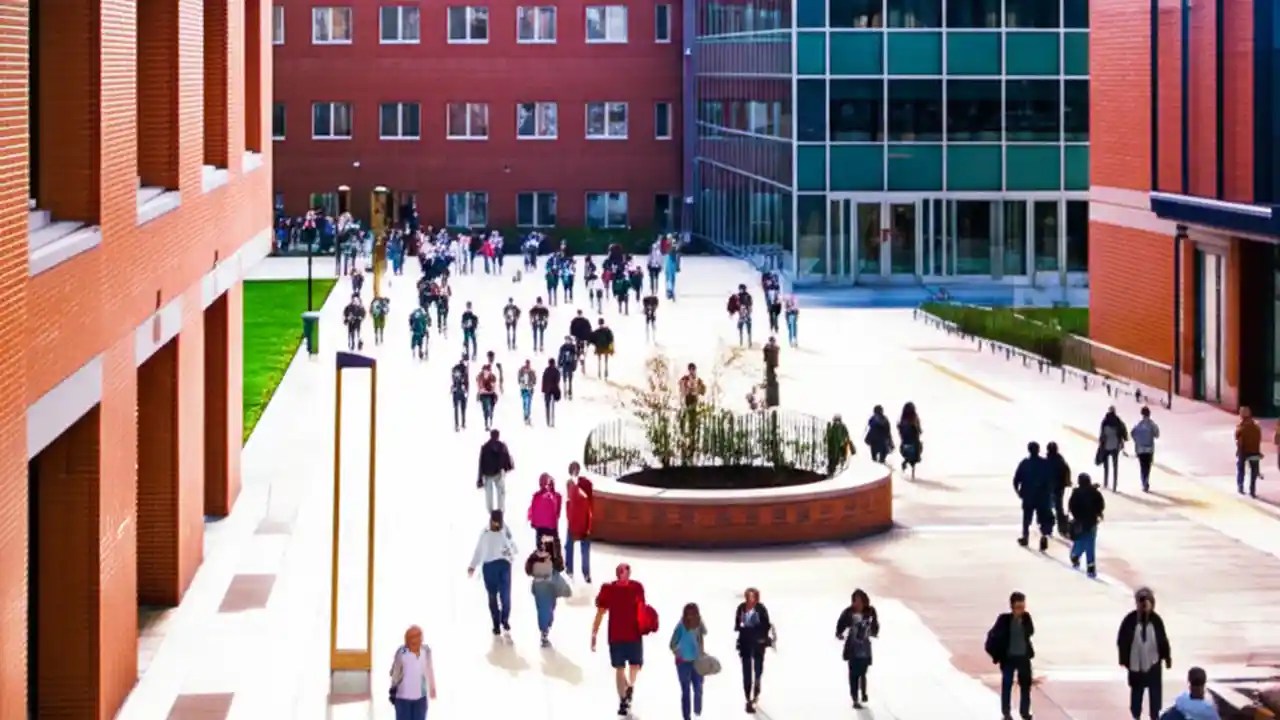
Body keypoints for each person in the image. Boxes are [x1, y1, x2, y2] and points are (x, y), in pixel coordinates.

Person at [592, 564, 648, 717]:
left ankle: (630, 686)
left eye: (626, 571)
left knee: (635, 665)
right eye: (621, 571)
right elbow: (601, 611)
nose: (623, 574)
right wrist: (594, 632)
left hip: (633, 633)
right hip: (617, 635)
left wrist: (645, 624)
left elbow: (641, 608)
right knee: (619, 668)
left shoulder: (637, 588)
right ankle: (623, 699)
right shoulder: (608, 590)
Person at [1117, 587, 1172, 720]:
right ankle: (1136, 715)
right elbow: (1122, 640)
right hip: (1136, 664)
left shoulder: (1156, 620)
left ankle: (1155, 716)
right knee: (1137, 693)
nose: (1144, 606)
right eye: (1141, 602)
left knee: (1155, 695)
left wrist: (1167, 657)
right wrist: (1124, 660)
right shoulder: (1130, 620)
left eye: (1147, 602)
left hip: (1153, 664)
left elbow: (1162, 640)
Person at [984, 591, 1036, 720]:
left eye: (1023, 607)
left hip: (1023, 657)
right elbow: (994, 635)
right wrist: (998, 654)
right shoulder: (1004, 619)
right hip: (1009, 658)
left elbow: (1030, 631)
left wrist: (1022, 622)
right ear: (1012, 607)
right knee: (1007, 684)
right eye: (1018, 607)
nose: (1021, 610)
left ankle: (1024, 711)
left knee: (1025, 685)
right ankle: (1006, 712)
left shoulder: (1026, 618)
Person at [467, 510, 518, 636]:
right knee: (494, 595)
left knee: (503, 596)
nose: (496, 524)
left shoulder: (504, 532)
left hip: (502, 565)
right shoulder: (485, 534)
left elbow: (513, 548)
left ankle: (503, 619)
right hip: (491, 566)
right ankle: (497, 622)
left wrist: (510, 554)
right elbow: (478, 550)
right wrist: (472, 565)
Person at [835, 589, 880, 709]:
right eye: (855, 601)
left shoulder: (870, 611)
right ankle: (855, 698)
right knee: (853, 674)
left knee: (863, 672)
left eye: (860, 601)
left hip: (865, 648)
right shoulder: (848, 612)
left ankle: (863, 692)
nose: (857, 603)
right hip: (852, 648)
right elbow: (840, 624)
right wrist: (839, 633)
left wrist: (874, 632)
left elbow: (875, 625)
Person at [733, 587, 773, 713]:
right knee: (746, 672)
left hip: (758, 644)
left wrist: (762, 635)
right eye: (749, 597)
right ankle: (748, 697)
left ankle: (756, 689)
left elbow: (766, 625)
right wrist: (743, 626)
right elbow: (737, 625)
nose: (751, 600)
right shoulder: (741, 608)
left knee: (758, 669)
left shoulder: (761, 609)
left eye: (753, 597)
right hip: (745, 643)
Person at [525, 532, 566, 647]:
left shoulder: (554, 556)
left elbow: (560, 567)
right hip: (541, 586)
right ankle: (544, 631)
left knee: (547, 608)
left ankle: (545, 628)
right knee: (545, 608)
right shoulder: (537, 555)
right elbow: (528, 568)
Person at [389, 624, 437, 720]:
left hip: (421, 697)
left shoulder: (426, 651)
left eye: (418, 636)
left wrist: (432, 687)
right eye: (411, 637)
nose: (415, 640)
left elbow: (429, 670)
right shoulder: (401, 651)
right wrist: (393, 688)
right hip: (403, 697)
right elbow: (395, 671)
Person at [1014, 442, 1054, 552]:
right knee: (1043, 519)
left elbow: (1016, 479)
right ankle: (1043, 537)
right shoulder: (1045, 463)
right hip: (1042, 497)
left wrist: (1019, 492)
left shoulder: (1025, 463)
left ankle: (1025, 537)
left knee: (1027, 519)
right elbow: (1050, 479)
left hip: (1028, 496)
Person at [670, 603, 707, 720]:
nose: (690, 617)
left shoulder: (699, 624)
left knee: (698, 688)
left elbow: (704, 633)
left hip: (697, 662)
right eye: (688, 614)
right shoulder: (680, 626)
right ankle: (687, 716)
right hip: (683, 663)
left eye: (693, 614)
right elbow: (672, 644)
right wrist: (678, 654)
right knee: (685, 690)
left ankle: (697, 711)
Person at [1068, 472, 1105, 577]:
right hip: (1092, 521)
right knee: (1090, 543)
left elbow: (1071, 506)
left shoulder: (1076, 493)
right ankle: (1091, 565)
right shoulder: (1095, 493)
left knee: (1079, 540)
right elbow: (1101, 505)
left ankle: (1076, 555)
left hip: (1080, 521)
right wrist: (1098, 513)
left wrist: (1076, 516)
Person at [565, 464, 594, 583]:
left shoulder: (571, 486)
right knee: (585, 551)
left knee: (569, 547)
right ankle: (586, 573)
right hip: (585, 525)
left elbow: (568, 510)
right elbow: (590, 510)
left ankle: (569, 570)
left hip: (573, 525)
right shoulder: (586, 486)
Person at [477, 429, 514, 513]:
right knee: (501, 492)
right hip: (497, 473)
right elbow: (507, 458)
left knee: (489, 495)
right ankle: (500, 510)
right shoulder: (501, 446)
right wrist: (507, 467)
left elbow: (481, 464)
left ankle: (491, 512)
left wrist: (479, 478)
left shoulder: (485, 447)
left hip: (489, 474)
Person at [1098, 406, 1129, 490]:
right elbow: (1124, 432)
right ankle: (1114, 486)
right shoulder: (1118, 421)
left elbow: (1101, 434)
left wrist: (1101, 443)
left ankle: (1105, 482)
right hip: (1115, 446)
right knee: (1115, 466)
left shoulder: (1105, 421)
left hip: (1106, 446)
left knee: (1106, 465)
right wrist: (1124, 439)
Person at [1131, 407, 1161, 492]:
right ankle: (1146, 481)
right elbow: (1157, 434)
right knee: (1147, 467)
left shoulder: (1139, 424)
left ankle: (1144, 482)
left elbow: (1133, 433)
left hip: (1140, 449)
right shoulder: (1152, 424)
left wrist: (1137, 440)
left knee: (1142, 466)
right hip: (1149, 449)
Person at [1045, 441, 1072, 535]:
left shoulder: (1047, 460)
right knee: (1058, 507)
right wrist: (1067, 482)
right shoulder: (1060, 460)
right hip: (1059, 487)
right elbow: (1066, 470)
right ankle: (1062, 526)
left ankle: (1048, 526)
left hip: (1049, 487)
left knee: (1047, 506)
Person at [1236, 407, 1263, 497]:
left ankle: (1240, 486)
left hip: (1244, 451)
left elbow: (1239, 441)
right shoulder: (1256, 427)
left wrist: (1238, 451)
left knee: (1241, 468)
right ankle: (1252, 490)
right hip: (1255, 451)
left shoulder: (1241, 427)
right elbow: (1258, 440)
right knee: (1254, 471)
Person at [528, 472, 562, 540]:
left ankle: (540, 549)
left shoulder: (536, 495)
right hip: (552, 528)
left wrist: (533, 524)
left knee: (540, 548)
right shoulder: (557, 496)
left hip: (539, 529)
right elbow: (558, 514)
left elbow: (532, 511)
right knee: (553, 548)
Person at [897, 402, 923, 476]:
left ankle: (906, 461)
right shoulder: (914, 417)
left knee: (907, 451)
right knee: (916, 452)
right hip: (913, 439)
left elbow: (899, 427)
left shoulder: (902, 417)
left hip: (905, 440)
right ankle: (911, 464)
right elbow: (918, 428)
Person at [476, 364, 500, 431]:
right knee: (485, 409)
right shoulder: (480, 377)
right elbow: (479, 386)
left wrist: (492, 389)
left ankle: (490, 421)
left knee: (491, 410)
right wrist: (481, 390)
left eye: (488, 371)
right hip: (483, 395)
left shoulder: (492, 377)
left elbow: (494, 387)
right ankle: (487, 423)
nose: (486, 372)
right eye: (485, 371)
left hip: (491, 395)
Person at [450, 355, 469, 431]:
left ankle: (462, 423)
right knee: (457, 408)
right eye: (466, 360)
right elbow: (456, 378)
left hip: (462, 390)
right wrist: (460, 385)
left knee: (462, 408)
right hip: (458, 390)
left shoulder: (465, 368)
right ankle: (457, 424)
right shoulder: (458, 368)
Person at [542, 358, 561, 427]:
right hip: (554, 390)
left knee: (548, 406)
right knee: (552, 406)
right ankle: (552, 421)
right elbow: (558, 381)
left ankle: (548, 421)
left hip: (547, 390)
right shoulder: (556, 371)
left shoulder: (546, 370)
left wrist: (543, 390)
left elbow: (544, 381)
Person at [517, 360, 537, 425]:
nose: (528, 365)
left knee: (528, 403)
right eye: (527, 364)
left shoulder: (532, 371)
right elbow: (518, 380)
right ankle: (526, 416)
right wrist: (522, 381)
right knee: (526, 402)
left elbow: (534, 381)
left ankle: (527, 416)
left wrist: (532, 382)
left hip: (530, 389)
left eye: (528, 364)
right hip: (524, 389)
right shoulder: (521, 371)